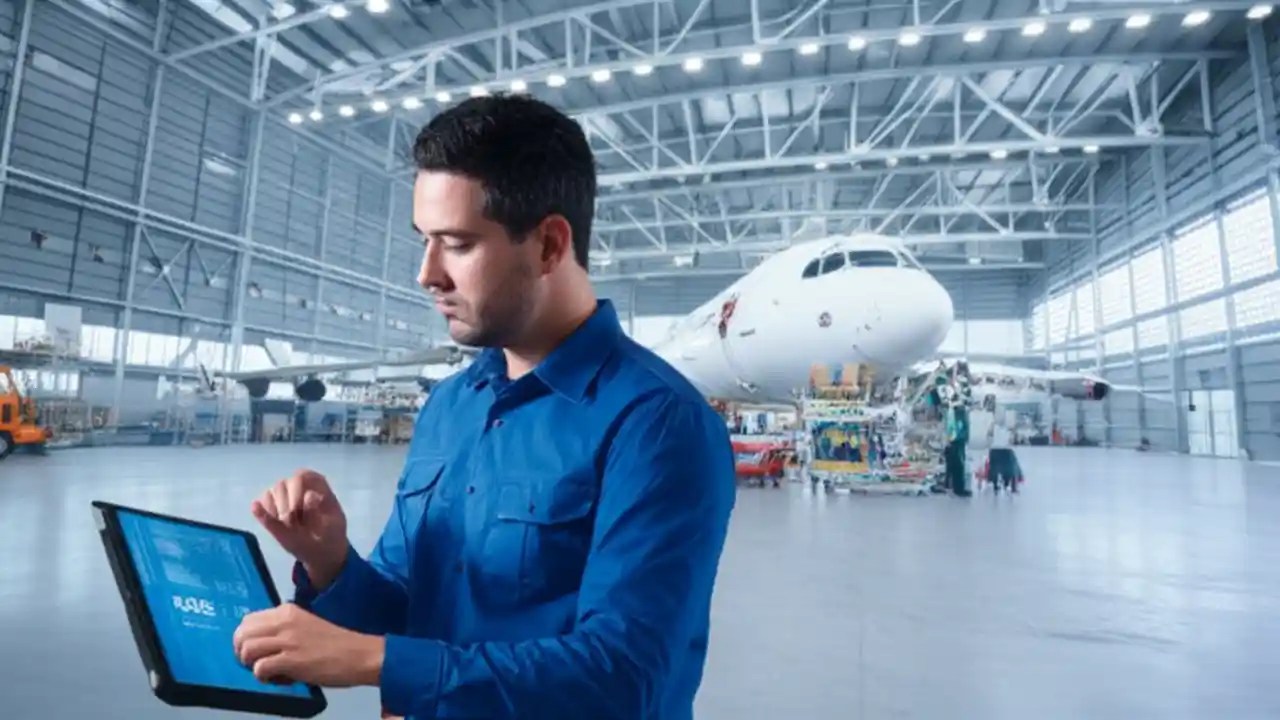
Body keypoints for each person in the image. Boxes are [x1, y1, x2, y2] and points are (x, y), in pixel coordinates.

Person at [231, 94, 737, 720]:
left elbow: (624, 675)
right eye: (424, 242)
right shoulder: (452, 404)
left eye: (458, 244)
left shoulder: (657, 423)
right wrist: (328, 558)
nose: (427, 274)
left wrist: (374, 662)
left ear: (550, 245)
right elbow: (405, 609)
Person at [986, 411, 1022, 493]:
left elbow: (988, 436)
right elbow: (1014, 440)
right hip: (1005, 450)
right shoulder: (1009, 427)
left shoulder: (993, 426)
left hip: (994, 450)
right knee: (1012, 467)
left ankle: (995, 484)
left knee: (994, 467)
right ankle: (1009, 485)